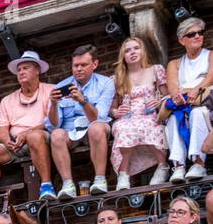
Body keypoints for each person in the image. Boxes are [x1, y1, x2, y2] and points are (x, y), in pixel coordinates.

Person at [0, 51, 56, 222]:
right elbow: (2, 130)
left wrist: (27, 133)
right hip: (16, 143)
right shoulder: (7, 100)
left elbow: (52, 121)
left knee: (35, 136)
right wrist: (7, 141)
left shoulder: (50, 90)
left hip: (41, 137)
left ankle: (47, 186)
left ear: (37, 70)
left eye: (25, 68)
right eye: (19, 69)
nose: (21, 72)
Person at [49, 45, 115, 198]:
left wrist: (82, 101)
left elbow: (98, 117)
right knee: (56, 134)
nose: (78, 69)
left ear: (95, 64)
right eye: (75, 65)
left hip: (94, 126)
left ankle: (100, 180)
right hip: (71, 132)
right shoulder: (61, 86)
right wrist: (53, 104)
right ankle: (67, 185)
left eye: (83, 65)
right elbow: (54, 124)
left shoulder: (105, 83)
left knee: (96, 128)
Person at [110, 37, 168, 189]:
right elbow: (112, 109)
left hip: (151, 114)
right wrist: (116, 112)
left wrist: (159, 101)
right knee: (122, 129)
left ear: (143, 51)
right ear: (123, 56)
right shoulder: (117, 78)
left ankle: (163, 166)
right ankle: (123, 175)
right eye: (127, 50)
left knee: (149, 125)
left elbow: (167, 96)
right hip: (128, 117)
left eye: (136, 48)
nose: (132, 52)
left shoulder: (155, 70)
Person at [162, 17, 212, 182]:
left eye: (200, 32)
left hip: (204, 101)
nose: (197, 36)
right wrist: (179, 95)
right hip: (183, 102)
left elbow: (210, 78)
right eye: (191, 34)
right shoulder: (175, 63)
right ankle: (179, 165)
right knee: (173, 119)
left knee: (197, 114)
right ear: (181, 40)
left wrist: (196, 88)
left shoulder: (210, 55)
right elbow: (173, 88)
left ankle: (199, 163)